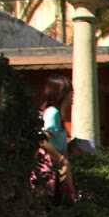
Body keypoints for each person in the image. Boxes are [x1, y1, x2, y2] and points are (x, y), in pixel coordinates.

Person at [35, 75, 76, 203]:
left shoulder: (57, 114)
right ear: (61, 93)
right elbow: (42, 140)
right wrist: (62, 160)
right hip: (50, 172)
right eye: (70, 91)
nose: (73, 94)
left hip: (55, 170)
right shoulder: (53, 113)